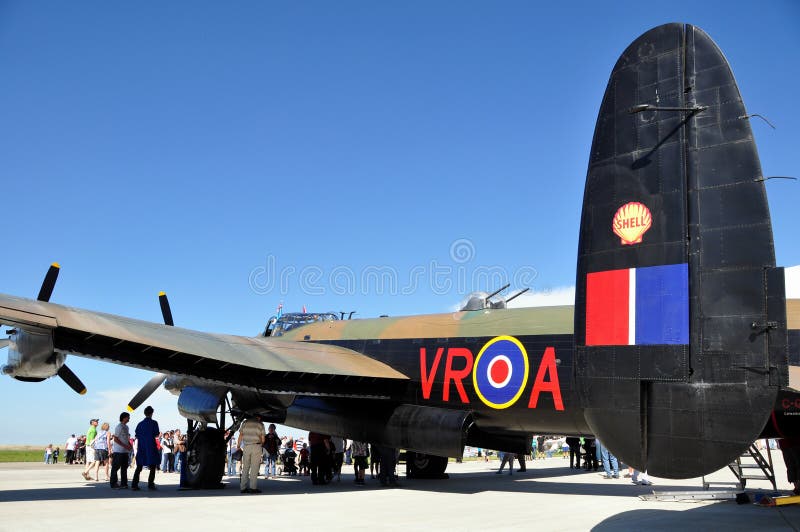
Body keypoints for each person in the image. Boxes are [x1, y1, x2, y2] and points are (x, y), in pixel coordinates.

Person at [132, 406, 160, 491]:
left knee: (139, 467)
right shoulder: (154, 423)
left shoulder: (140, 424)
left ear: (145, 413)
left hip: (142, 447)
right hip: (151, 447)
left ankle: (134, 484)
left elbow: (136, 435)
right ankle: (150, 484)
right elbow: (156, 434)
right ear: (152, 413)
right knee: (152, 466)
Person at [237, 415, 265, 493]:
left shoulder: (244, 423)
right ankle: (253, 488)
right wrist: (261, 444)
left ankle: (243, 488)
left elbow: (241, 435)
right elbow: (263, 438)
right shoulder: (260, 424)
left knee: (245, 467)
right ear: (258, 417)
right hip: (256, 446)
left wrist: (238, 445)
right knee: (254, 468)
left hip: (246, 447)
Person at [110, 412, 133, 489]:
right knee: (115, 467)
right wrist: (125, 446)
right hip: (118, 451)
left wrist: (129, 445)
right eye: (128, 417)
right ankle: (113, 483)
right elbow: (115, 438)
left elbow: (126, 439)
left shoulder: (126, 427)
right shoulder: (119, 427)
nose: (129, 418)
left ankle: (124, 483)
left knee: (124, 468)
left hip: (125, 451)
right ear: (124, 418)